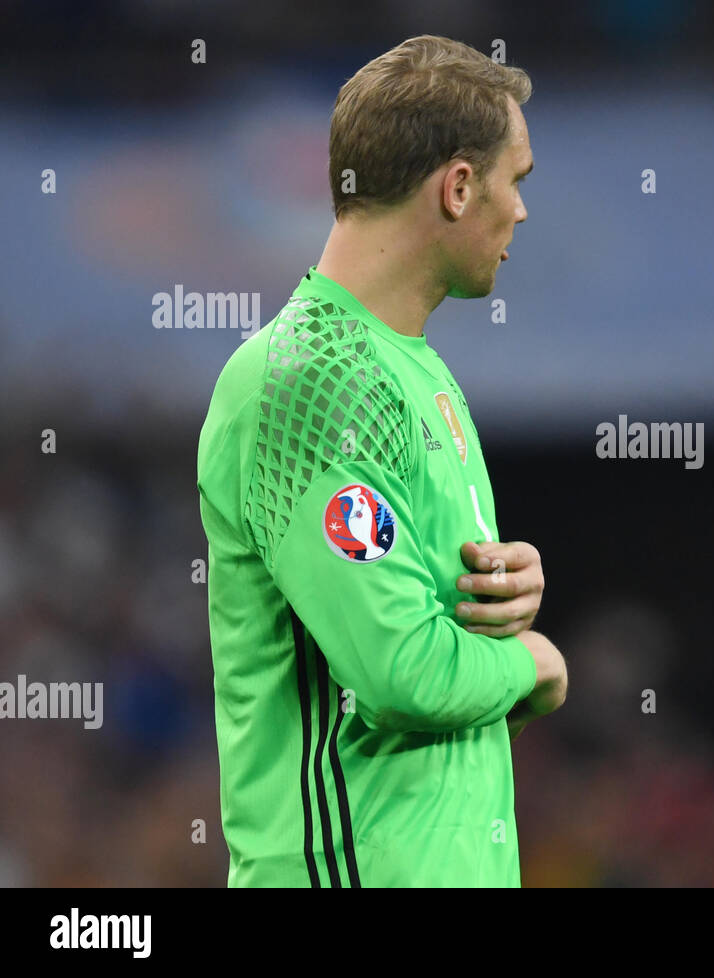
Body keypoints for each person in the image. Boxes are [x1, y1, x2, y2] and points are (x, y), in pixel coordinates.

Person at [196, 34, 566, 887]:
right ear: (459, 187)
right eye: (516, 179)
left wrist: (499, 598)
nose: (521, 210)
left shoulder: (414, 371)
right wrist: (535, 665)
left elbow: (426, 651)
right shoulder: (311, 380)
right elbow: (401, 675)